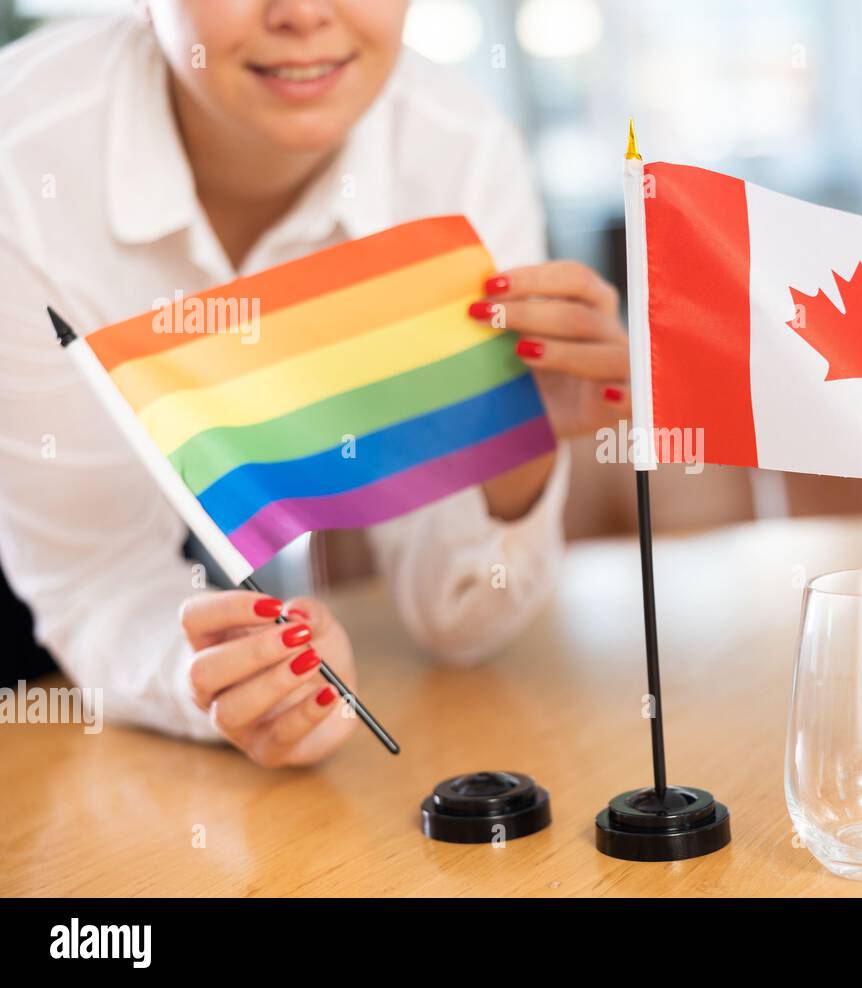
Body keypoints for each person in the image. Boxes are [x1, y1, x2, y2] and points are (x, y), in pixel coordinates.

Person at [0, 1, 631, 766]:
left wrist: (514, 442)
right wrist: (217, 680)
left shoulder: (454, 153)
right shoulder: (23, 165)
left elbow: (458, 622)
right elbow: (92, 576)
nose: (302, 13)